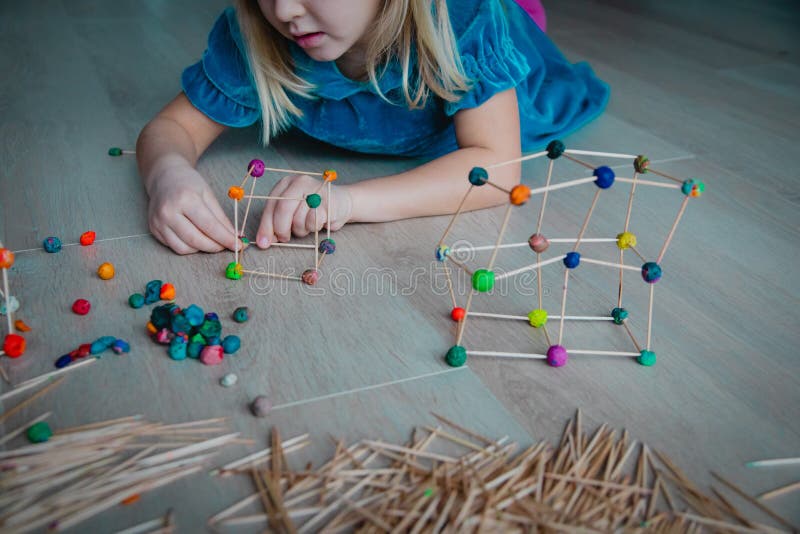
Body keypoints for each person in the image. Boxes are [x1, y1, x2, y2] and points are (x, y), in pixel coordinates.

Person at [136, 0, 608, 255]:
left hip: (480, 32)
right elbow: (172, 127)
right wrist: (167, 175)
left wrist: (348, 201)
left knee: (511, 20)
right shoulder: (258, 30)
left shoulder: (462, 18)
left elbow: (497, 171)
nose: (283, 10)